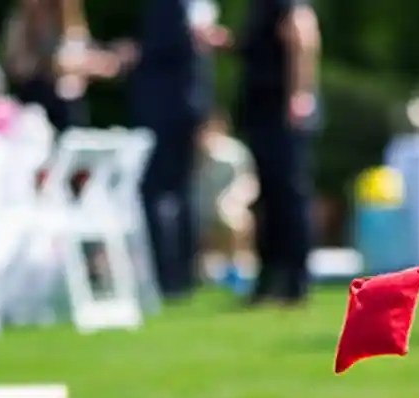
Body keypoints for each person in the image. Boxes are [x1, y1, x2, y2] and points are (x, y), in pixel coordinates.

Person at [131, 0, 228, 298]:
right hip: (190, 106)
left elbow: (163, 48)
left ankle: (167, 276)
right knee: (183, 192)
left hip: (164, 109)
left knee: (157, 192)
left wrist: (131, 54)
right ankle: (185, 272)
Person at [238, 0, 320, 306]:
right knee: (271, 197)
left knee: (289, 195)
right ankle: (271, 277)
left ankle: (294, 279)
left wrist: (299, 92)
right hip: (263, 110)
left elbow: (303, 37)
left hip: (281, 111)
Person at [2, 0, 125, 131]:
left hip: (67, 100)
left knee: (71, 86)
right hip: (36, 98)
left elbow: (79, 52)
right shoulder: (24, 23)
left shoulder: (70, 20)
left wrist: (106, 60)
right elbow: (19, 66)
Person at [196, 113, 258, 293]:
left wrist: (235, 200)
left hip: (231, 205)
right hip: (202, 210)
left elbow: (249, 182)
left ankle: (238, 274)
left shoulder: (235, 153)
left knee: (236, 222)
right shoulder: (195, 156)